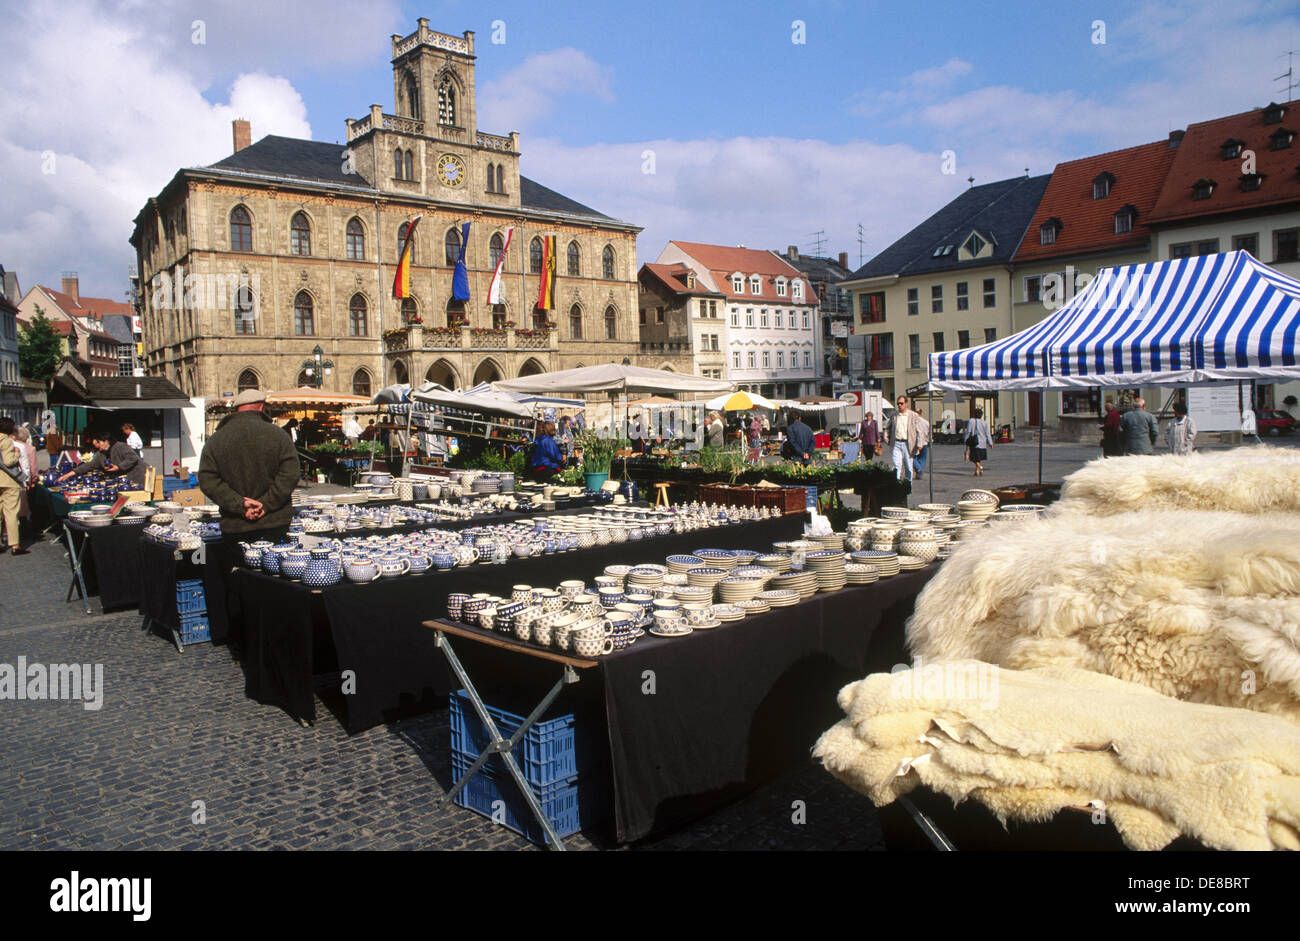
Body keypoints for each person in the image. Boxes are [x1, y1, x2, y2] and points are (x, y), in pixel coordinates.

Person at [197, 389, 300, 546]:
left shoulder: (216, 439)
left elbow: (207, 480)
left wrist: (240, 504)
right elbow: (290, 475)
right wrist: (266, 504)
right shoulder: (278, 435)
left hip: (235, 527)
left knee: (237, 570)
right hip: (274, 523)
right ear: (261, 407)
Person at [56, 430, 148, 489]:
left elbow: (133, 458)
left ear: (106, 441)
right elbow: (89, 465)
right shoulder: (101, 454)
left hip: (139, 477)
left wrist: (118, 467)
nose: (97, 446)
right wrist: (69, 474)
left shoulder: (120, 446)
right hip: (126, 483)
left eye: (99, 442)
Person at [1, 418, 27, 555]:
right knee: (11, 513)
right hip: (8, 482)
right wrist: (16, 453)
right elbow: (8, 461)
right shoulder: (5, 440)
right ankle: (15, 545)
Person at [885, 396, 921, 481]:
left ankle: (908, 485)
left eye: (901, 403)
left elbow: (919, 431)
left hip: (908, 444)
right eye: (898, 403)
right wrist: (886, 438)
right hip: (896, 443)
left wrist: (919, 443)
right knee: (896, 466)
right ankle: (896, 485)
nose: (899, 405)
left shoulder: (913, 415)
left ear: (906, 404)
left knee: (908, 466)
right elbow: (887, 428)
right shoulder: (894, 415)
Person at [13, 427, 37, 524]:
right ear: (27, 437)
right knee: (25, 504)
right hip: (24, 480)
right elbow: (32, 467)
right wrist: (33, 480)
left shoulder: (11, 445)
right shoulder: (30, 449)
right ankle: (26, 525)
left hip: (13, 479)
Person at [964, 407, 994, 477]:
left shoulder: (971, 421)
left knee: (973, 457)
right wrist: (990, 443)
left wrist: (965, 439)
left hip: (974, 442)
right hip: (982, 443)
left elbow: (968, 431)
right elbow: (987, 433)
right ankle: (977, 471)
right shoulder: (984, 423)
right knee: (978, 457)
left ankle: (979, 467)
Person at [912, 410, 932, 480]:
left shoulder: (913, 422)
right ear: (921, 413)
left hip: (915, 443)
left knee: (912, 457)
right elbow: (929, 433)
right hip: (924, 443)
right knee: (922, 459)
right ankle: (920, 474)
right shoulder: (926, 422)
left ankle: (918, 469)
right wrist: (929, 441)